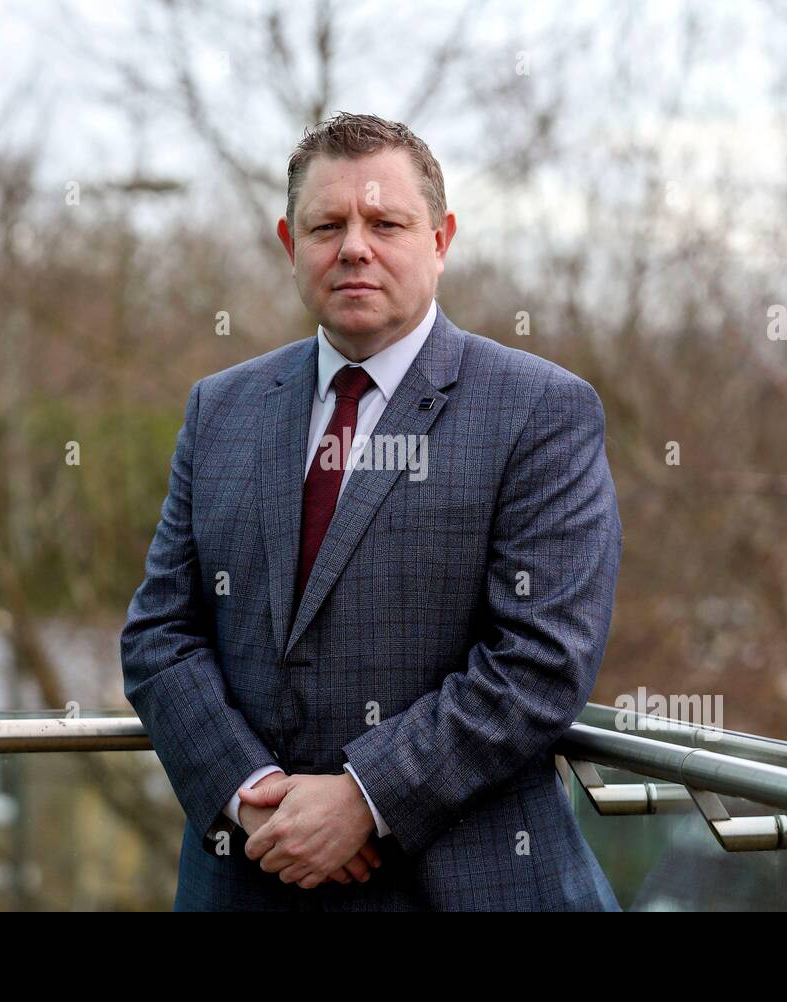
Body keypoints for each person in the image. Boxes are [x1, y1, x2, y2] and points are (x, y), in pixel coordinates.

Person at [120, 111, 623, 911]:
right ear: (291, 244)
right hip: (253, 878)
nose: (354, 246)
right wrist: (251, 795)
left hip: (464, 887)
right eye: (328, 225)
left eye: (386, 222)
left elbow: (540, 662)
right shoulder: (221, 409)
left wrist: (363, 797)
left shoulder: (539, 411)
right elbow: (160, 635)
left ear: (440, 239)